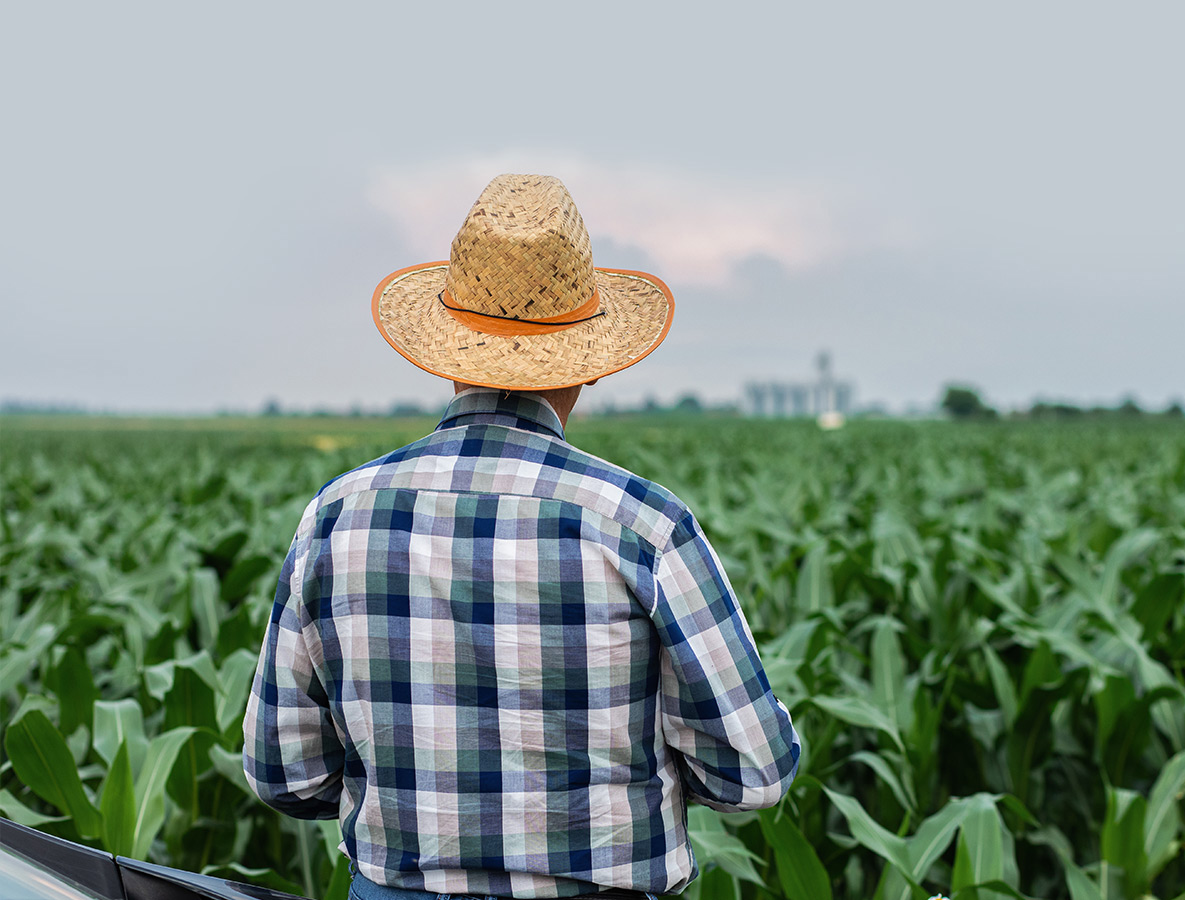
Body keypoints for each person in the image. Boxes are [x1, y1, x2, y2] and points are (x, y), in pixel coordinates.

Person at [242, 174, 800, 900]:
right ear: (588, 364)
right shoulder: (642, 524)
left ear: (445, 356)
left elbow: (284, 771)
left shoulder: (336, 516)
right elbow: (753, 770)